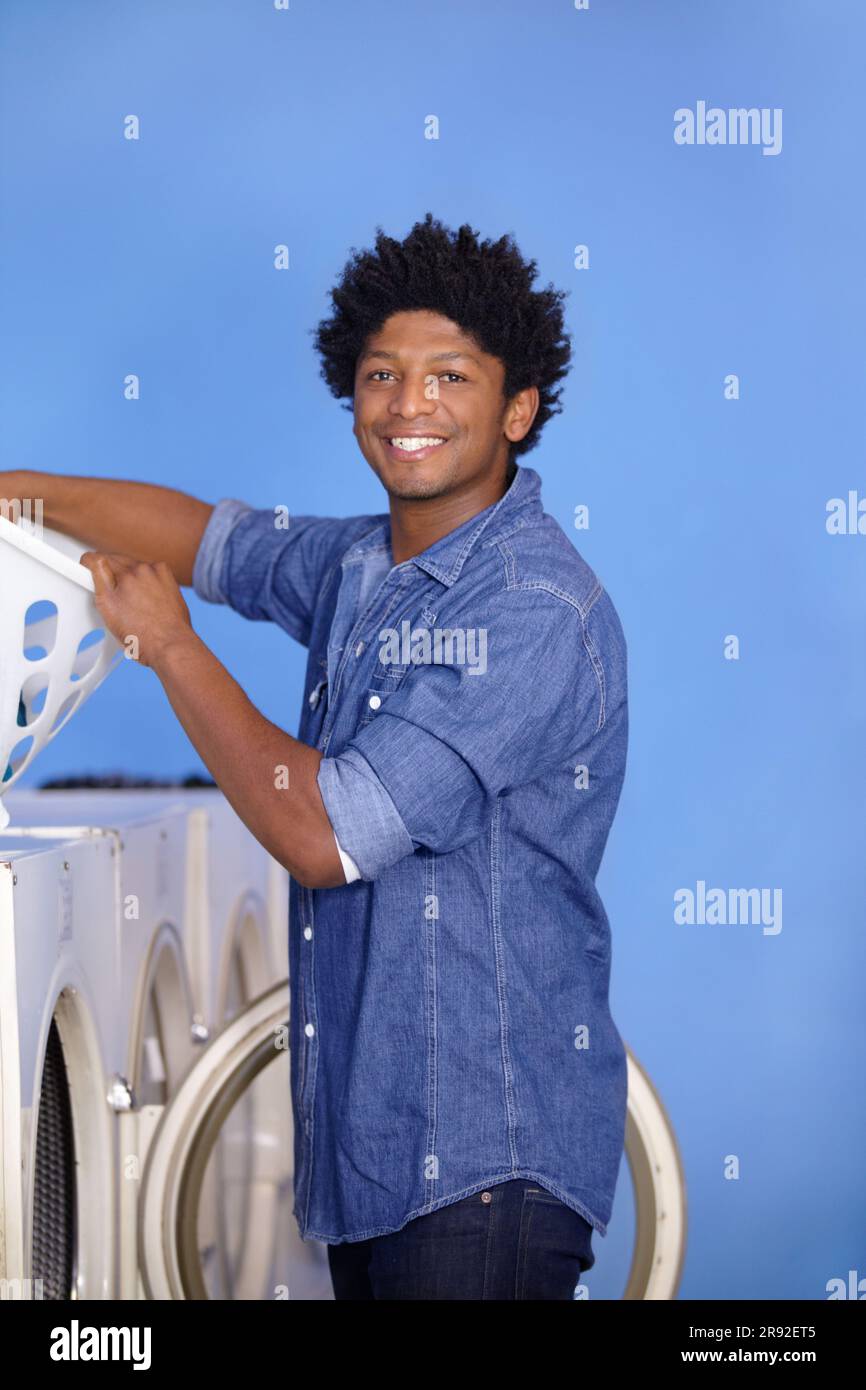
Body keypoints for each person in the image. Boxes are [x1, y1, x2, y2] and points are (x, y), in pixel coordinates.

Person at [0, 213, 629, 1300]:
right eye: (382, 374)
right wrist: (15, 496)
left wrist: (173, 648)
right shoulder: (359, 564)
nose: (408, 405)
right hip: (371, 1161)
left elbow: (326, 834)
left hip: (484, 1169)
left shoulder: (529, 608)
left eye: (449, 378)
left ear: (515, 409)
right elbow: (201, 536)